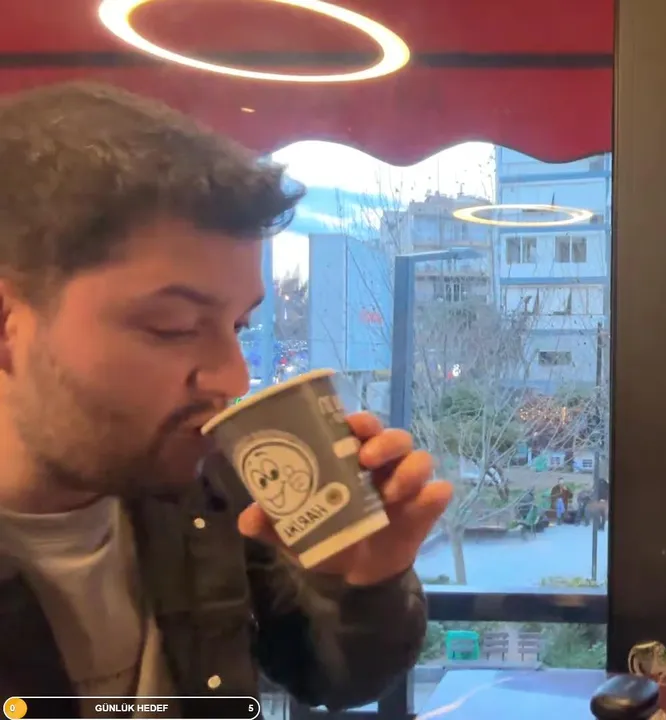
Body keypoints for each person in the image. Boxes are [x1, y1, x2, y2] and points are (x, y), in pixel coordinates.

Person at [0, 82, 453, 716]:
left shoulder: (204, 488)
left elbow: (335, 681)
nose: (234, 379)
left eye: (238, 325)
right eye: (175, 326)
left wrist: (361, 580)